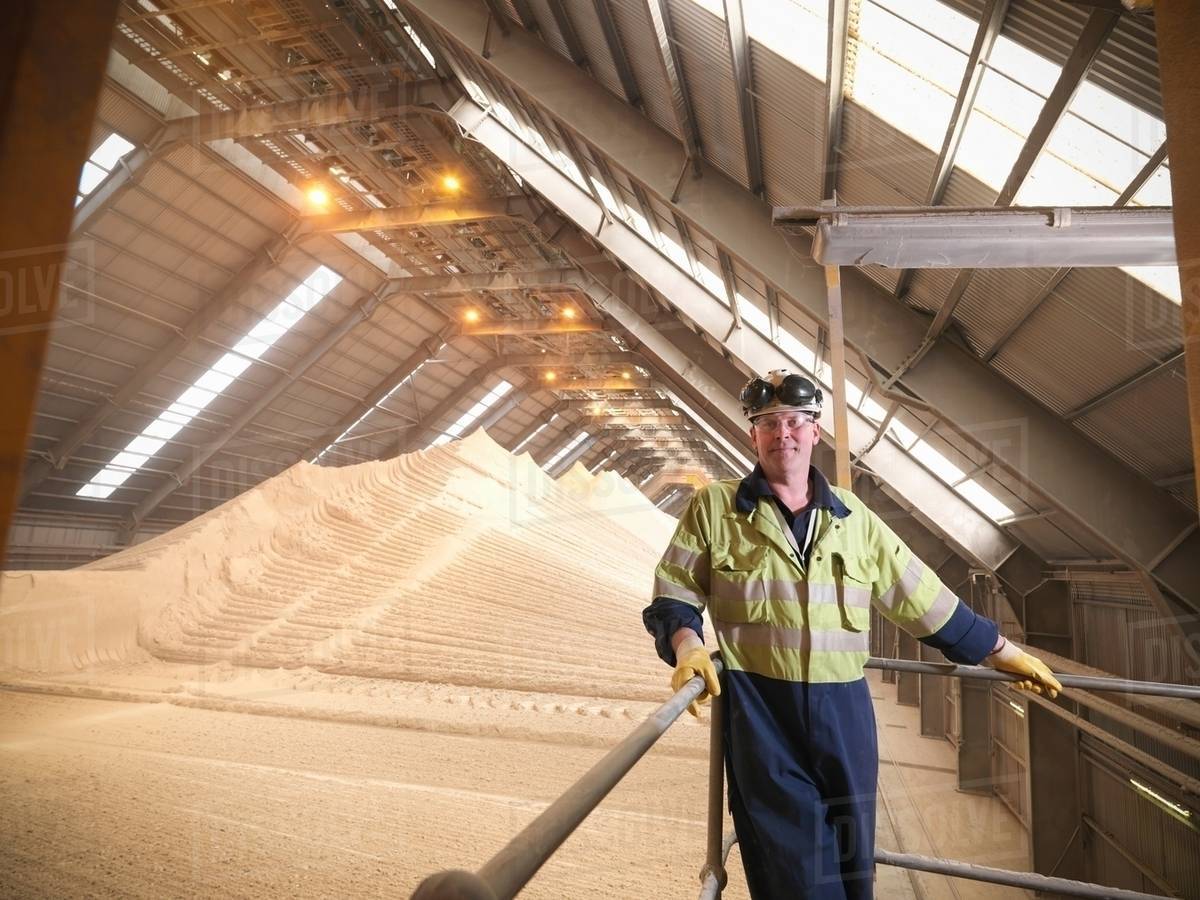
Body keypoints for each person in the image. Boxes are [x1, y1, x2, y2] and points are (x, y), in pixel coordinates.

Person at [643, 369, 1062, 900]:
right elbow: (673, 591)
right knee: (794, 877)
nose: (782, 435)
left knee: (851, 872)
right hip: (761, 717)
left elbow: (922, 598)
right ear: (753, 435)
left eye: (795, 421)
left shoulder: (854, 520)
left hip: (845, 718)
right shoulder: (716, 510)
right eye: (768, 423)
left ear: (815, 431)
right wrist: (688, 646)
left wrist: (1003, 651)